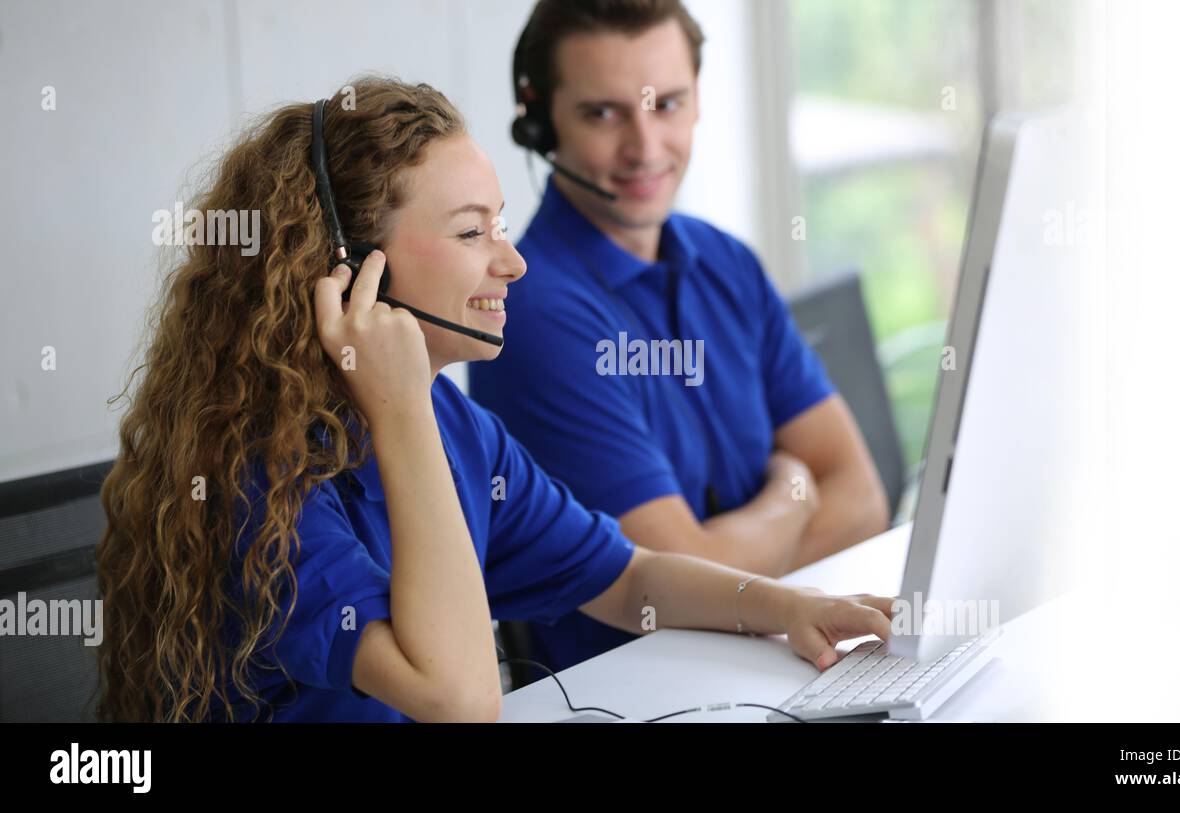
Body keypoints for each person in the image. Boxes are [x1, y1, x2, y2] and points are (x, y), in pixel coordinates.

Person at [95, 77, 895, 722]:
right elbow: (458, 701)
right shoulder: (255, 481)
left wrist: (785, 606)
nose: (511, 263)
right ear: (352, 267)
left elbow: (625, 579)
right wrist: (401, 406)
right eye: (472, 232)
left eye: (502, 225)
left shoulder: (454, 425)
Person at [470, 0, 892, 672]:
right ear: (539, 118)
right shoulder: (530, 312)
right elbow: (673, 582)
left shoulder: (728, 262)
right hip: (653, 693)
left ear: (698, 100)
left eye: (667, 104)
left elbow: (863, 495)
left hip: (777, 660)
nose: (644, 148)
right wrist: (794, 495)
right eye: (604, 113)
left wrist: (746, 564)